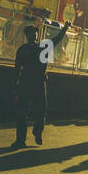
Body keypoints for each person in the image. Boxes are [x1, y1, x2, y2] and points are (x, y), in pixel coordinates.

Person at [11, 19, 70, 148]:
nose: (34, 35)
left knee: (37, 111)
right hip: (30, 83)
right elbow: (17, 68)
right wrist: (16, 85)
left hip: (33, 82)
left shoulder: (37, 47)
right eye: (32, 33)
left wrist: (65, 29)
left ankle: (32, 134)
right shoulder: (33, 48)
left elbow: (57, 39)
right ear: (28, 35)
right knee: (29, 112)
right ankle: (25, 138)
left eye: (35, 33)